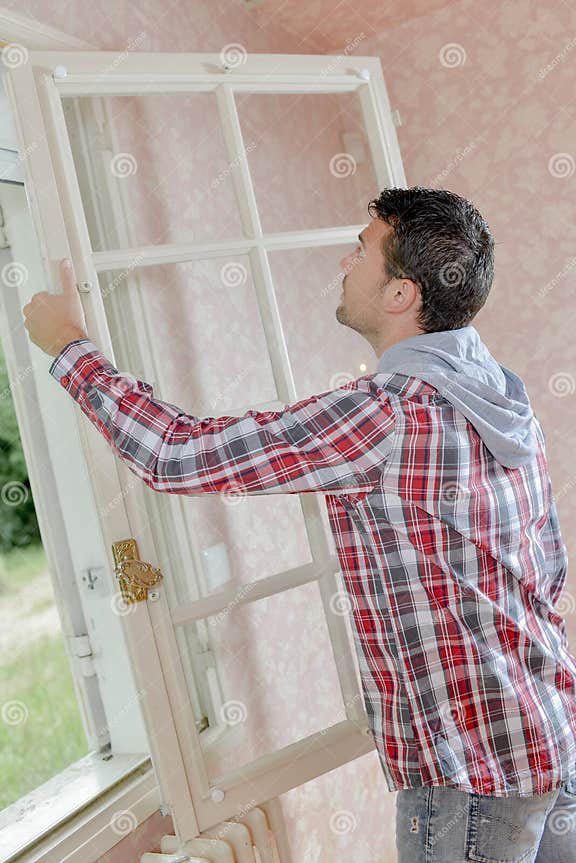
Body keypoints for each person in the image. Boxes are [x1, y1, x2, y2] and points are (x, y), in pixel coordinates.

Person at [23, 186, 576, 862]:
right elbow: (548, 571)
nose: (346, 260)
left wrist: (69, 346)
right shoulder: (501, 392)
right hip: (551, 736)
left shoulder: (387, 415)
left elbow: (177, 454)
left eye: (363, 249)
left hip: (470, 779)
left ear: (402, 293)